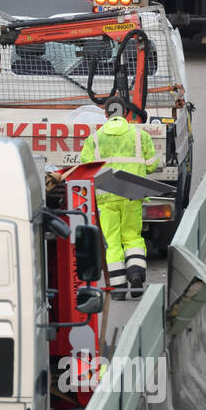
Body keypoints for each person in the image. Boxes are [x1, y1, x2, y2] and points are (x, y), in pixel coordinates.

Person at [79, 113, 159, 300]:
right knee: (132, 237)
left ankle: (118, 289)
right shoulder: (140, 136)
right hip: (133, 194)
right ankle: (136, 273)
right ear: (126, 120)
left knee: (112, 243)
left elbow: (86, 165)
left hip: (106, 197)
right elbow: (152, 165)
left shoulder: (95, 139)